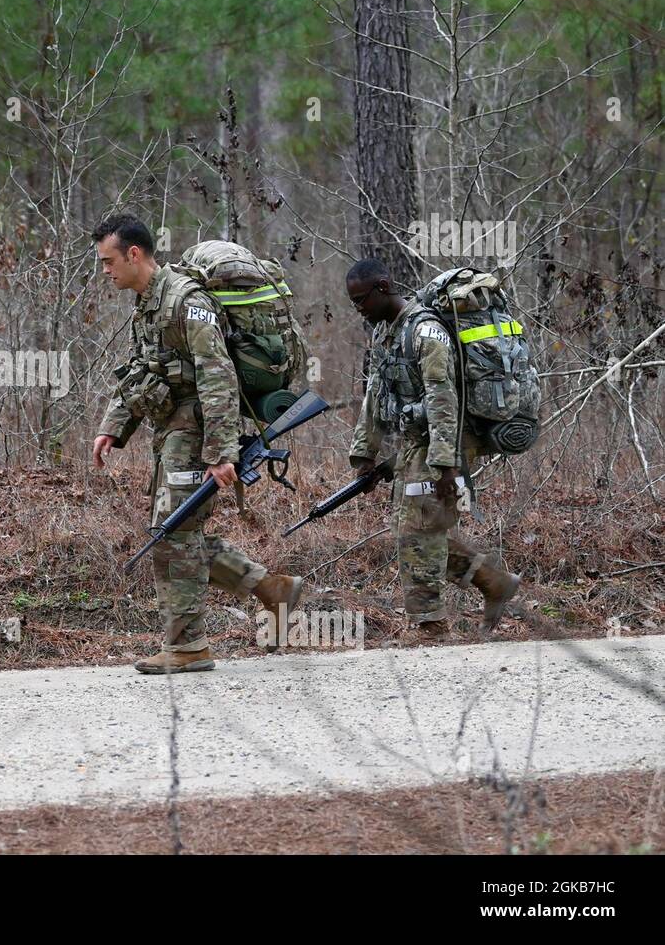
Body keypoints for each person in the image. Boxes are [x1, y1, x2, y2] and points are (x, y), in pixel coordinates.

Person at [92, 213, 304, 673]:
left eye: (108, 261)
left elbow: (219, 376)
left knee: (173, 537)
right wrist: (113, 426)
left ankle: (188, 646)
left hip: (196, 434)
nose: (104, 271)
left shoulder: (187, 301)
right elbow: (141, 369)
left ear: (134, 254)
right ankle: (272, 589)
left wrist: (221, 453)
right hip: (172, 433)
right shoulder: (147, 304)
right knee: (177, 533)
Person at [346, 257, 519, 637]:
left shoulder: (426, 331)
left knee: (418, 531)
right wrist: (364, 453)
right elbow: (374, 394)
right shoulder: (384, 332)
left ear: (382, 287)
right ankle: (493, 581)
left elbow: (444, 399)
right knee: (417, 528)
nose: (358, 308)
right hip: (414, 442)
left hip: (445, 442)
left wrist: (446, 466)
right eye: (353, 302)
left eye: (361, 299)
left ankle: (431, 626)